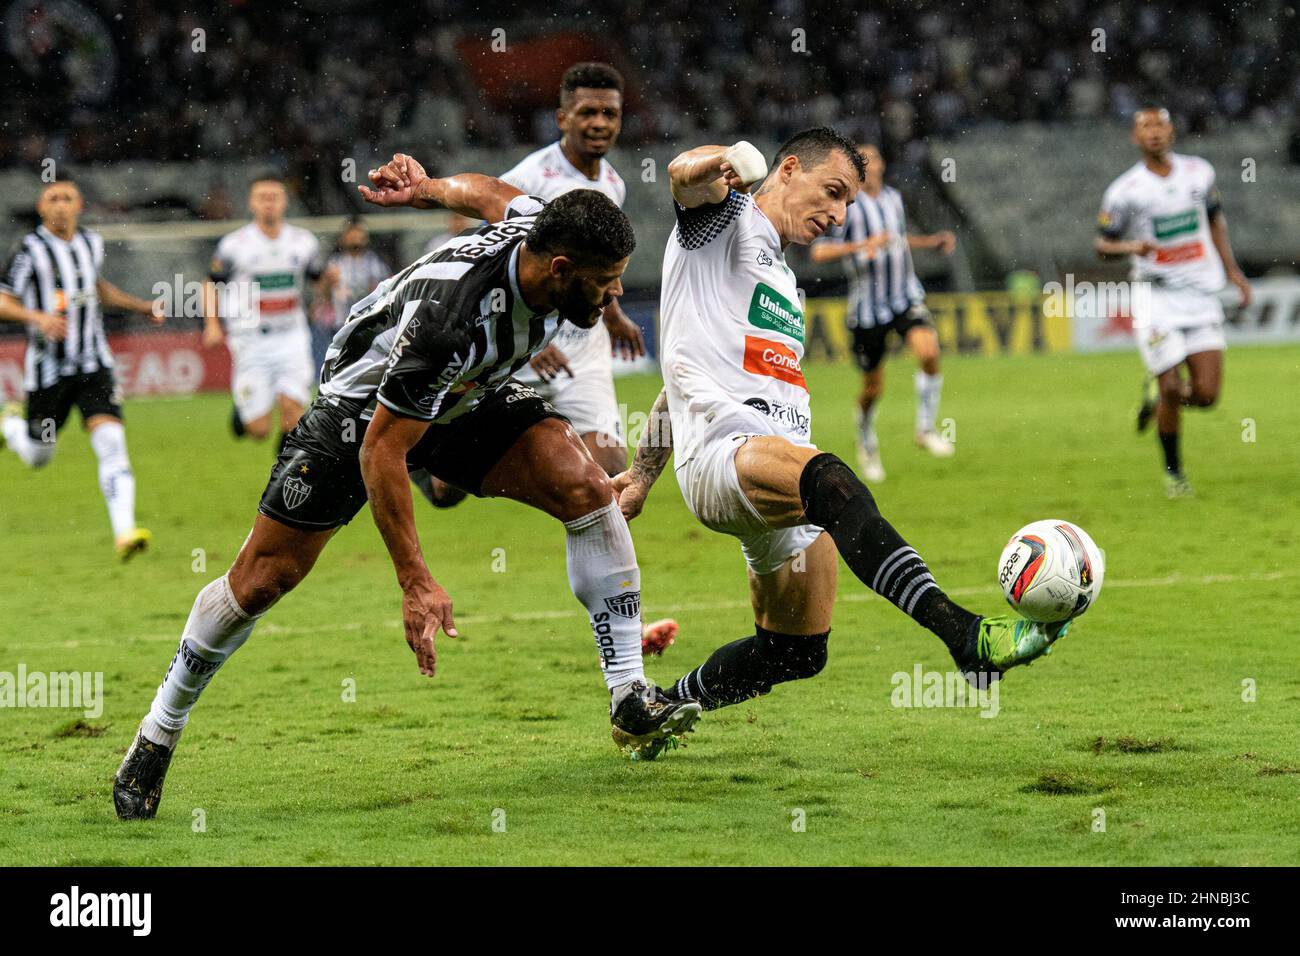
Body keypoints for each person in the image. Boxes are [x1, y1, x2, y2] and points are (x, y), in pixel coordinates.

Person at [113, 157, 700, 820]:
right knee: (260, 581)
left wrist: (425, 189)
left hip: (459, 395)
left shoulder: (541, 226)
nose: (612, 297)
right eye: (603, 285)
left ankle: (628, 694)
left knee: (587, 490)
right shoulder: (453, 320)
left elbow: (487, 192)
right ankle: (158, 732)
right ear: (559, 270)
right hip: (360, 412)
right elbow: (383, 448)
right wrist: (415, 579)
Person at [612, 130, 1070, 749]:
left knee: (796, 650)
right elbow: (681, 175)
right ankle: (966, 638)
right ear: (790, 169)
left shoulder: (779, 280)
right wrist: (725, 162)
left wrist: (640, 478)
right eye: (833, 193)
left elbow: (678, 379)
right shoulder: (724, 217)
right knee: (835, 483)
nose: (838, 215)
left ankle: (656, 709)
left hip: (772, 468)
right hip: (727, 455)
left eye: (850, 205)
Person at [0, 177, 164, 560]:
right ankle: (9, 426)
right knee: (40, 455)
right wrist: (37, 318)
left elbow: (97, 287)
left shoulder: (92, 243)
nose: (60, 204)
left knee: (111, 444)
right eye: (52, 198)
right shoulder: (29, 250)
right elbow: (3, 301)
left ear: (80, 205)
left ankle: (125, 532)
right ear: (41, 208)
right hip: (48, 371)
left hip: (94, 364)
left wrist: (141, 307)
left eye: (67, 198)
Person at [497, 62, 644, 479]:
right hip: (523, 351)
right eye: (587, 113)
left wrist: (613, 317)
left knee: (610, 472)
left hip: (584, 350)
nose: (599, 123)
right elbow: (490, 257)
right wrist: (528, 338)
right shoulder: (527, 179)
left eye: (609, 114)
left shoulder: (614, 184)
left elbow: (598, 268)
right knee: (448, 489)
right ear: (563, 118)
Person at [1095, 107, 1251, 498]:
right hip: (1156, 297)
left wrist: (1232, 271)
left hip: (1200, 292)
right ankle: (1174, 474)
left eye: (1161, 125)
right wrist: (1132, 245)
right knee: (1170, 387)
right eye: (1145, 127)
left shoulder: (1200, 172)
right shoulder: (1125, 190)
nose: (1154, 133)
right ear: (1135, 138)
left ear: (1172, 131)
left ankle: (1157, 394)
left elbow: (1215, 220)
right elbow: (1101, 243)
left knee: (1207, 395)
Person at [809, 144, 957, 482]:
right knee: (873, 388)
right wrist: (862, 246)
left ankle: (925, 428)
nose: (869, 166)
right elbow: (819, 252)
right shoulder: (847, 205)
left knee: (929, 353)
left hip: (904, 297)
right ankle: (865, 437)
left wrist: (930, 242)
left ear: (882, 165)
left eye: (873, 159)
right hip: (867, 310)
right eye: (862, 161)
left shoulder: (893, 198)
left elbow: (897, 240)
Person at [203, 173, 325, 450]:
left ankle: (286, 477)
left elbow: (316, 279)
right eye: (262, 198)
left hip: (291, 335)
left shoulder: (304, 242)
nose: (268, 203)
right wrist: (212, 325)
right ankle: (244, 411)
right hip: (251, 339)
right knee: (258, 430)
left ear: (284, 202)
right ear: (251, 203)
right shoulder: (234, 245)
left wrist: (327, 290)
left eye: (274, 197)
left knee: (294, 414)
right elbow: (210, 283)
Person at [313, 218, 390, 372]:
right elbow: (322, 293)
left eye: (358, 234)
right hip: (340, 323)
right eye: (351, 234)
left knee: (367, 367)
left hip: (368, 323)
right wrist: (328, 283)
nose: (355, 238)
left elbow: (386, 291)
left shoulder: (374, 262)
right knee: (339, 367)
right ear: (343, 237)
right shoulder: (334, 262)